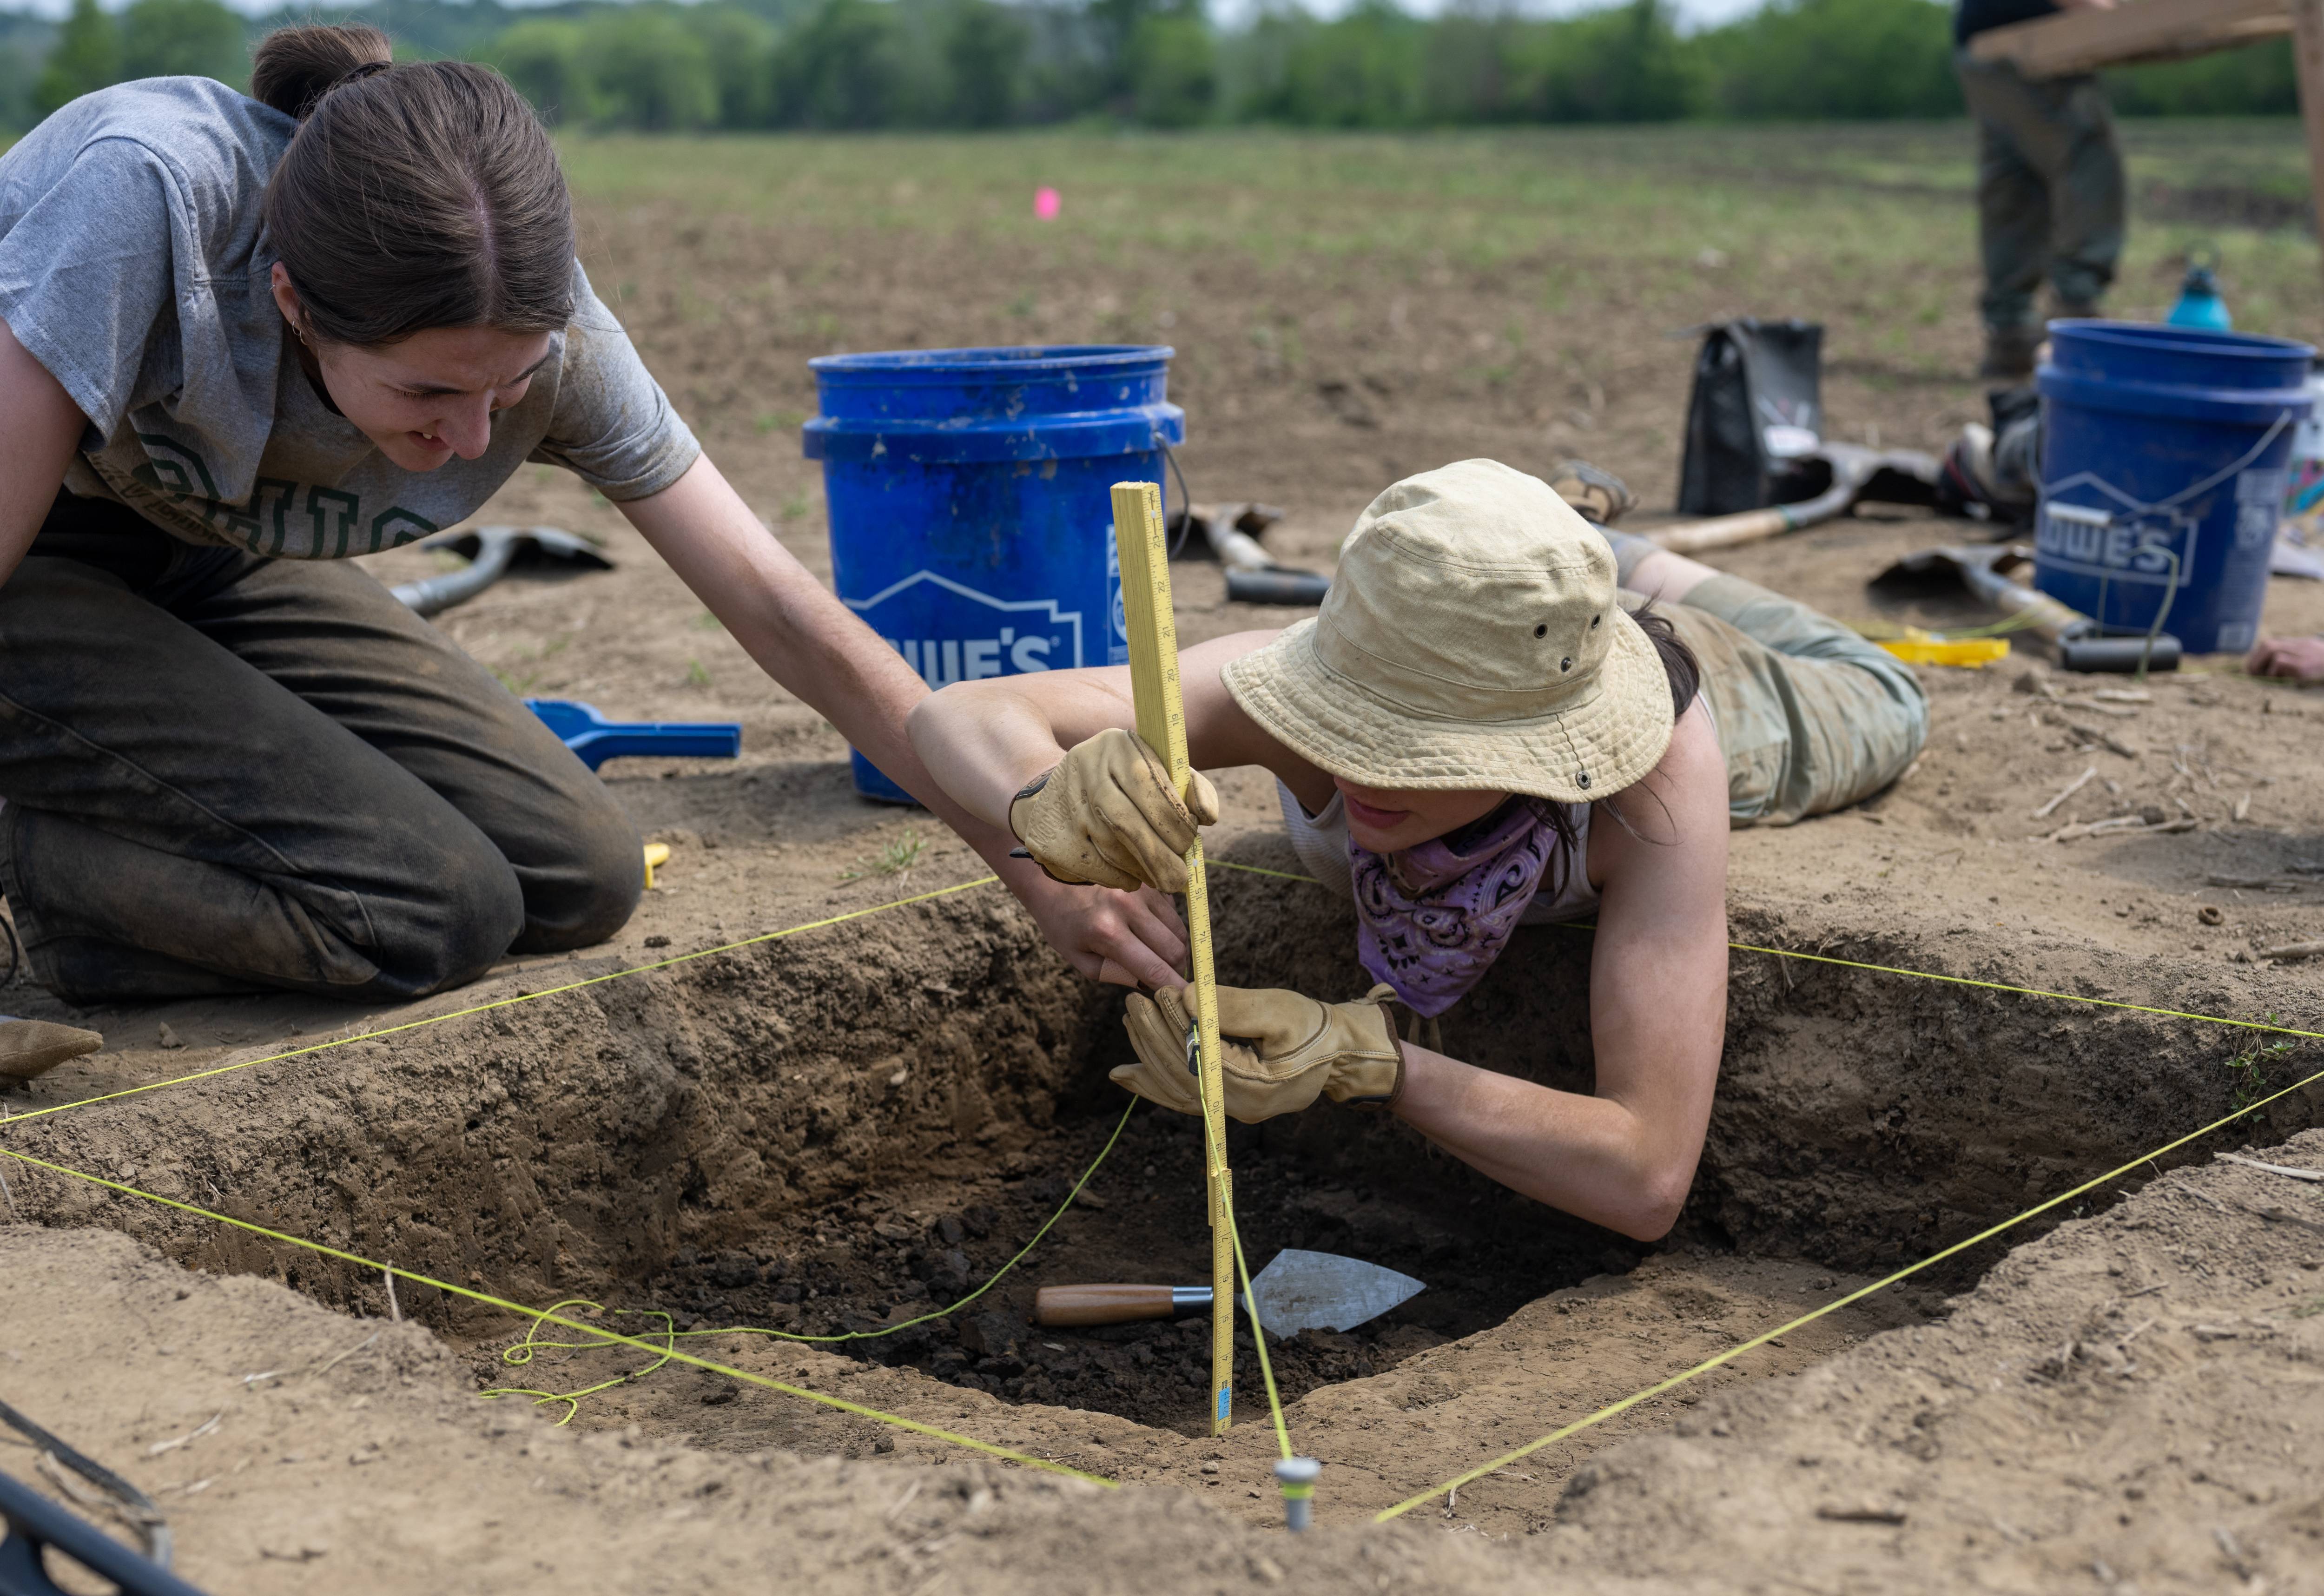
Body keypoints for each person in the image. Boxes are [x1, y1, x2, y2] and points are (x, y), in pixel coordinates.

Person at [0, 24, 1182, 1016]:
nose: (473, 438)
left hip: (205, 542)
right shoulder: (147, 196)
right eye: (426, 392)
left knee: (577, 875)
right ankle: (45, 887)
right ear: (294, 304)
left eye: (506, 388)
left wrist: (1030, 860)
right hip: (30, 545)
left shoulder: (552, 334)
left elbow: (777, 606)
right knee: (431, 904)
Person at [908, 460, 1926, 1239]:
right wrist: (1036, 795)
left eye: (1420, 749)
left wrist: (1366, 1059)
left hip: (1746, 695)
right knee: (1519, 591)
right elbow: (959, 714)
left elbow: (1646, 1174)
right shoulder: (1278, 691)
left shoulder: (1657, 785)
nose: (1364, 773)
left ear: (1541, 748)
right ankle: (1573, 544)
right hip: (1532, 630)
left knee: (1885, 688)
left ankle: (1627, 559)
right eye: (1349, 721)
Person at [1954, 0, 2126, 379]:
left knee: (2015, 188)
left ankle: (2010, 335)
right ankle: (2076, 321)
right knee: (2089, 161)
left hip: (1981, 42)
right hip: (2034, 45)